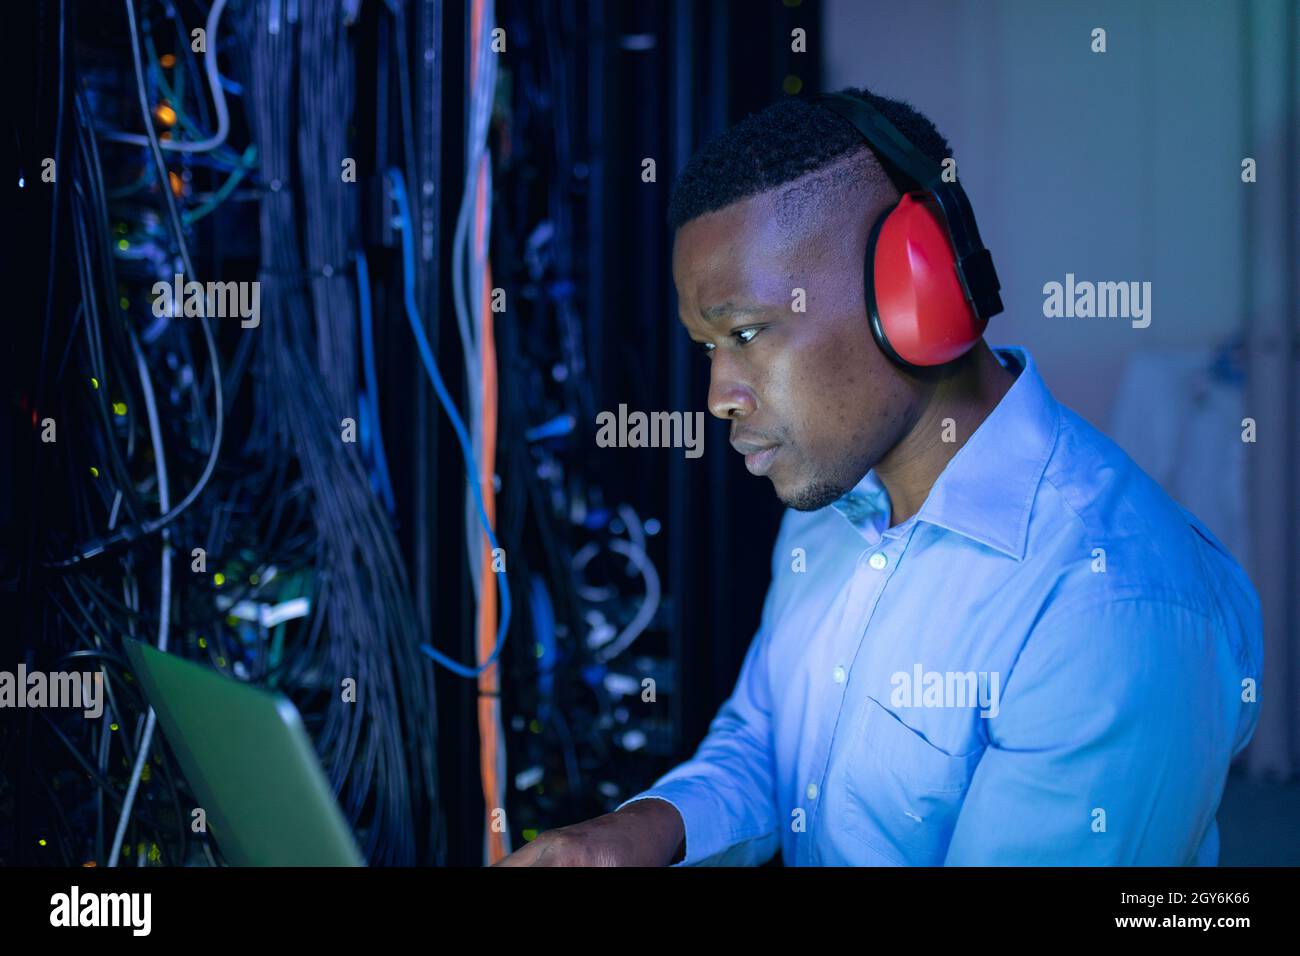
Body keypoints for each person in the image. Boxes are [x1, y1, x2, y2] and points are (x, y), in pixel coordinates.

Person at [494, 86, 1262, 867]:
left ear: (915, 291)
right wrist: (634, 834)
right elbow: (766, 738)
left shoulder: (1108, 607)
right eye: (708, 347)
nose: (719, 396)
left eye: (748, 332)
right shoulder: (832, 502)